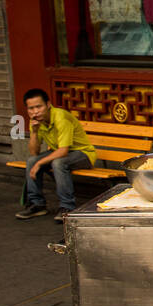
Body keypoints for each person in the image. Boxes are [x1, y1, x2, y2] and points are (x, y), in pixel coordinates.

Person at [17, 88, 97, 221]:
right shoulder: (36, 121)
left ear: (48, 105)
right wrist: (35, 132)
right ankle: (37, 204)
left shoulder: (61, 117)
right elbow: (34, 152)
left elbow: (63, 151)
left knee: (58, 162)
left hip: (83, 153)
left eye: (39, 106)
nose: (35, 111)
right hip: (58, 152)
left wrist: (40, 163)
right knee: (32, 161)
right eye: (31, 108)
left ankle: (67, 207)